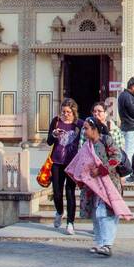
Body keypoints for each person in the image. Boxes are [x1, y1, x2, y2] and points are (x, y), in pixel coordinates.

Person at [67, 115, 133, 258]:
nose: (84, 131)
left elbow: (117, 157)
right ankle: (98, 242)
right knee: (96, 214)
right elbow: (79, 163)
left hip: (108, 182)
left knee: (106, 213)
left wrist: (101, 170)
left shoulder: (106, 140)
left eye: (86, 128)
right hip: (93, 186)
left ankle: (107, 244)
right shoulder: (87, 146)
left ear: (94, 129)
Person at [46, 99, 82, 234]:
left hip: (72, 162)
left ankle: (70, 223)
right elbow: (49, 142)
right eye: (64, 112)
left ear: (73, 112)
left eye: (69, 112)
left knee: (70, 192)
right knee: (57, 192)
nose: (66, 114)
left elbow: (92, 131)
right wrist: (54, 134)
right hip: (57, 161)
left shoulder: (78, 124)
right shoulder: (56, 121)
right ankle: (60, 211)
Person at [116, 77, 134, 184]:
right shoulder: (129, 97)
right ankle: (126, 174)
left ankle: (123, 172)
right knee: (129, 152)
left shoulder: (122, 95)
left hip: (124, 125)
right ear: (132, 87)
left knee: (125, 150)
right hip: (131, 127)